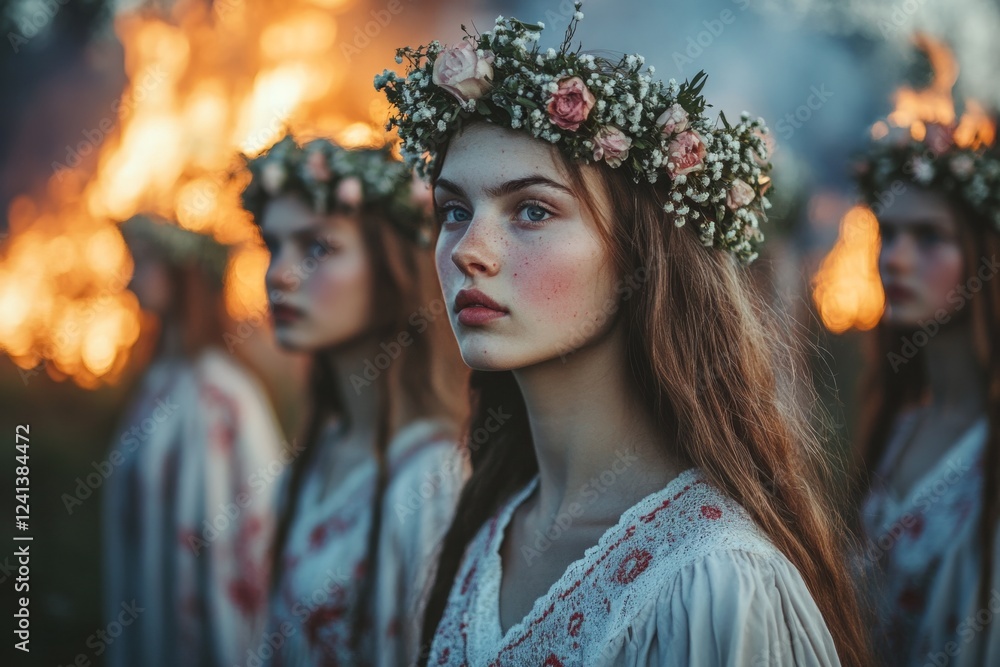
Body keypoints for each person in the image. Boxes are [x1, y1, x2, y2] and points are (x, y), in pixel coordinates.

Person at [376, 6, 872, 666]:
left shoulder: (714, 578)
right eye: (454, 210)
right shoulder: (481, 534)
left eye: (532, 210)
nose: (469, 248)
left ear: (639, 256)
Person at [239, 134, 468, 665]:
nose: (279, 274)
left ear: (392, 266)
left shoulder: (432, 480)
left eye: (318, 247)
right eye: (272, 245)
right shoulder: (318, 453)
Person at [103, 213, 285, 667]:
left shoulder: (223, 395)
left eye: (144, 262)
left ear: (183, 275)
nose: (130, 280)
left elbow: (256, 530)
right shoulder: (157, 384)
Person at [853, 115, 1000, 665]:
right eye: (887, 234)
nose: (894, 258)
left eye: (929, 236)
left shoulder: (987, 450)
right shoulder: (898, 425)